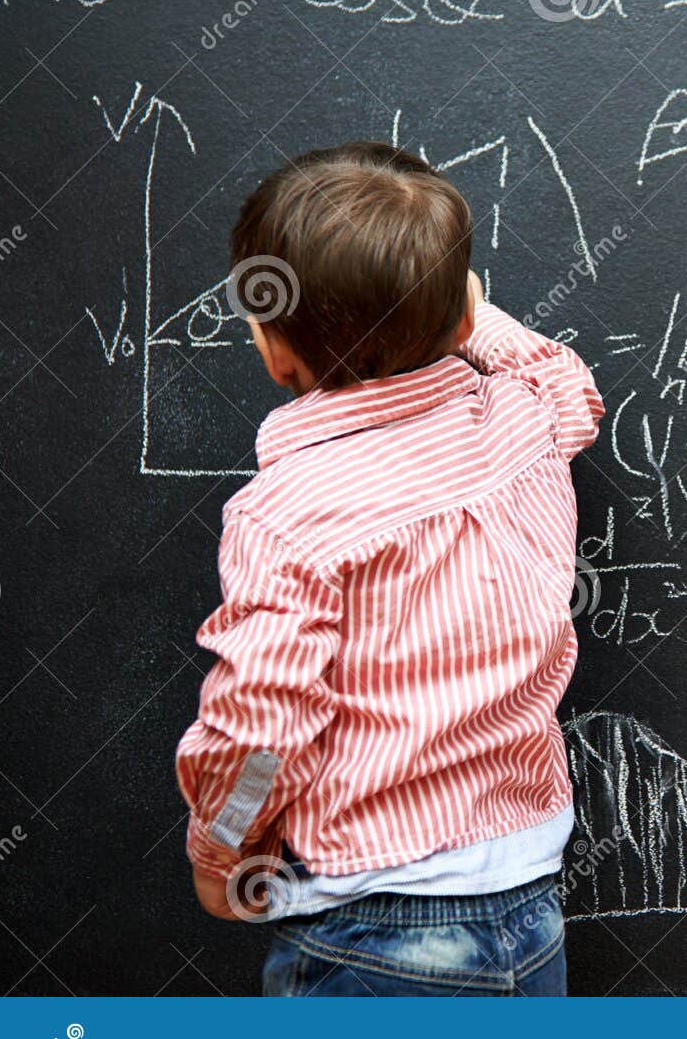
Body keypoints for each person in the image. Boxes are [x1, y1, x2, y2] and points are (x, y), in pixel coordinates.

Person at [174, 142, 604, 996]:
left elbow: (261, 725)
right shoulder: (523, 426)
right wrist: (476, 320)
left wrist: (224, 847)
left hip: (374, 927)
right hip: (529, 903)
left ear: (274, 350)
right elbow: (567, 382)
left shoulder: (288, 511)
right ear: (459, 321)